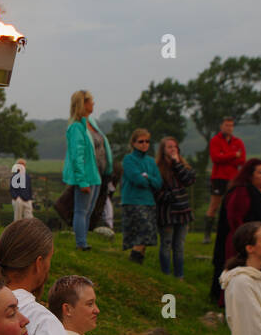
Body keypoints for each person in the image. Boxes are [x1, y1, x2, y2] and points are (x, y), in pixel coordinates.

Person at [210, 159, 261, 302]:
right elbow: (235, 219)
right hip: (245, 243)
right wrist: (250, 241)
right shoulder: (241, 191)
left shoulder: (260, 191)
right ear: (249, 175)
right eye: (260, 172)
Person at [61, 90, 113, 251]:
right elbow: (78, 156)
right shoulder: (76, 127)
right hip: (87, 175)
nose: (93, 104)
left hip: (96, 174)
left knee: (88, 210)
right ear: (82, 104)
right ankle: (81, 243)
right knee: (81, 210)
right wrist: (82, 180)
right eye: (90, 101)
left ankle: (83, 240)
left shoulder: (91, 123)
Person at [155, 136, 196, 278]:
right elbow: (156, 190)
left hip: (183, 211)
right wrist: (170, 197)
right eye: (169, 147)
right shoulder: (158, 168)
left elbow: (189, 180)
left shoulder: (182, 166)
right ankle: (165, 275)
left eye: (175, 147)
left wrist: (178, 163)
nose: (173, 149)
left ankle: (179, 276)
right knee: (166, 244)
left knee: (179, 246)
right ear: (163, 150)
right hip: (167, 212)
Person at [120, 128, 162, 263]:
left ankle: (138, 264)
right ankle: (133, 262)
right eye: (141, 141)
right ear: (133, 143)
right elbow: (137, 179)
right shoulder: (128, 159)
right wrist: (148, 179)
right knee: (142, 234)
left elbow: (159, 182)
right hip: (133, 200)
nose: (144, 144)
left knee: (147, 237)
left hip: (149, 201)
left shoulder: (150, 161)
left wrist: (147, 177)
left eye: (147, 141)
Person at [204, 117, 246, 243]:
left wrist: (225, 156)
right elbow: (216, 158)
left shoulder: (238, 142)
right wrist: (233, 155)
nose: (229, 128)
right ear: (221, 126)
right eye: (227, 125)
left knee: (232, 205)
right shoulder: (215, 140)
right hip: (218, 178)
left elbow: (242, 160)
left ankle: (229, 233)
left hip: (233, 178)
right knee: (214, 206)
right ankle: (207, 235)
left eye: (231, 125)